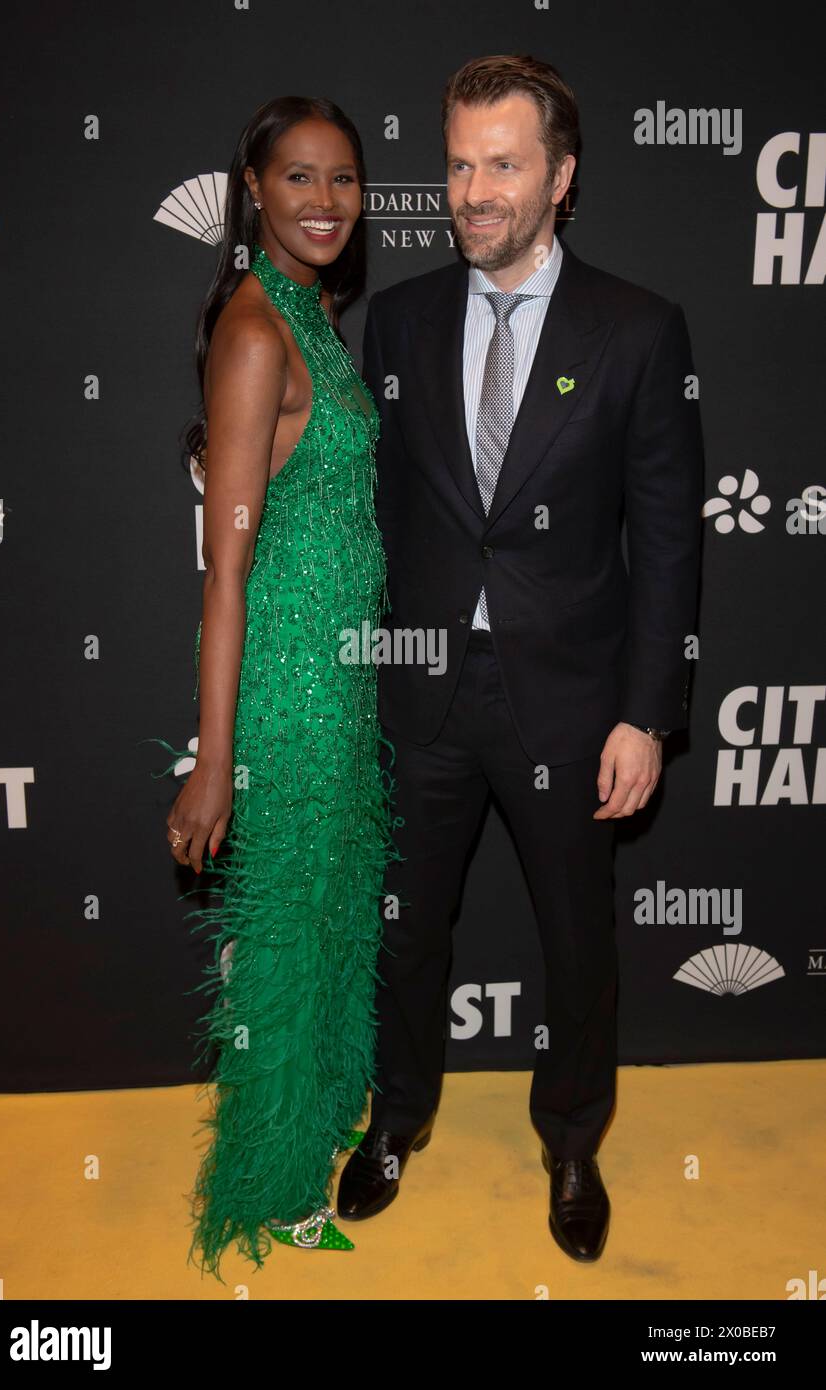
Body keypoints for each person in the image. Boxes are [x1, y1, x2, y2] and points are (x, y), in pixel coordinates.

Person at [337, 54, 705, 1262]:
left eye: (503, 162)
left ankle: (570, 1140)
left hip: (571, 702)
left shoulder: (638, 331)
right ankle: (395, 1123)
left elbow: (663, 545)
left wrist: (646, 715)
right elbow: (366, 516)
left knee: (574, 942)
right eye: (456, 162)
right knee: (405, 931)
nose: (474, 189)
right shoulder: (392, 321)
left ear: (561, 175)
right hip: (423, 695)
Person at [159, 96, 399, 1277]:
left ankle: (305, 1146)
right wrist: (217, 763)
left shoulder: (312, 314)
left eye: (344, 180)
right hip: (287, 708)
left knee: (332, 935)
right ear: (251, 189)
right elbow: (226, 570)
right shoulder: (258, 332)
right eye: (298, 179)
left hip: (344, 698)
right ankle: (264, 1186)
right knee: (292, 950)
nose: (323, 202)